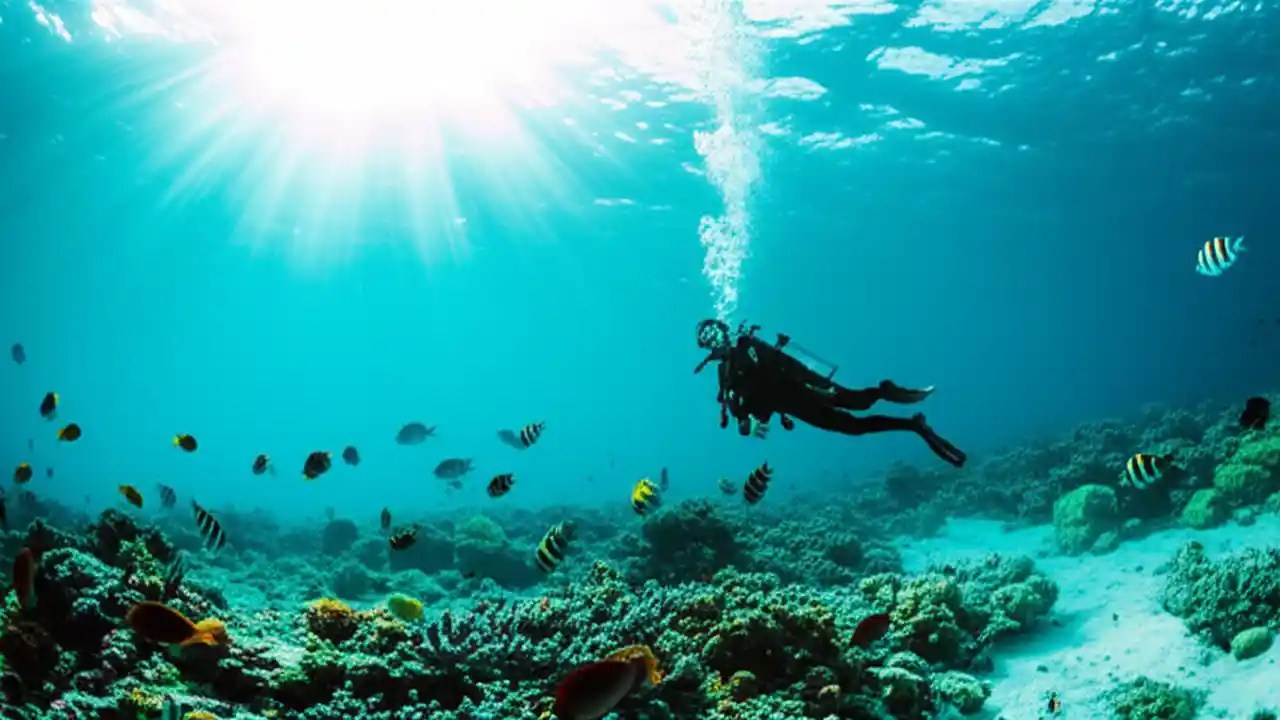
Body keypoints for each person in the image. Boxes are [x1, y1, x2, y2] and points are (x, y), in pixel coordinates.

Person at [694, 319, 967, 468]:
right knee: (853, 427)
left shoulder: (748, 345)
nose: (714, 340)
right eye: (707, 339)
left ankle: (886, 390)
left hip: (808, 387)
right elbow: (739, 409)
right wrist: (749, 425)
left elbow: (776, 373)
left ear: (724, 329)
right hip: (797, 407)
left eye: (714, 332)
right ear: (705, 347)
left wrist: (757, 414)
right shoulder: (724, 373)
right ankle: (912, 425)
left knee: (857, 403)